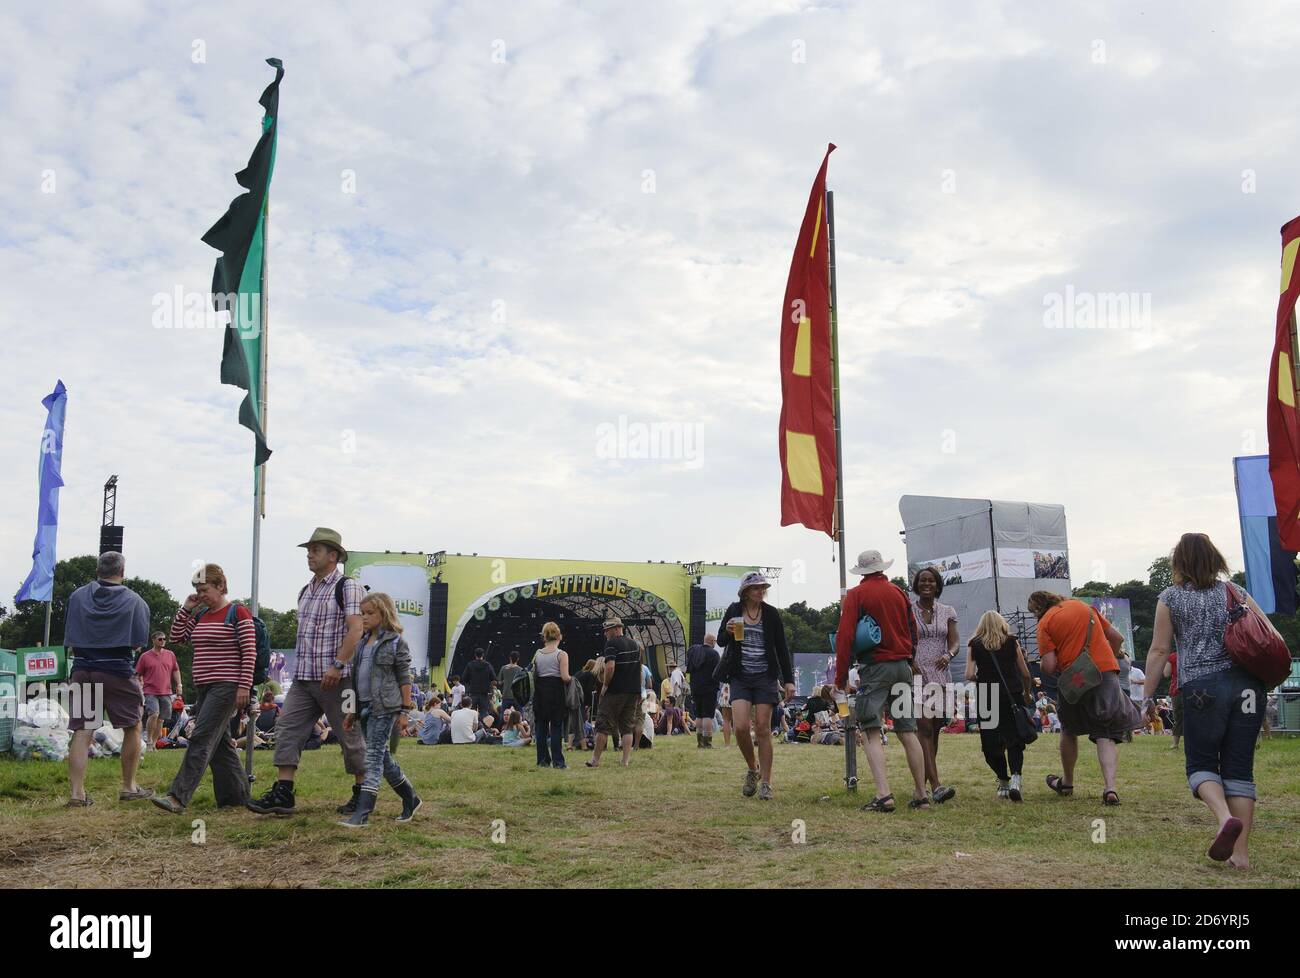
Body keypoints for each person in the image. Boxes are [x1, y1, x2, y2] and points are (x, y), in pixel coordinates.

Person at [1141, 533, 1278, 868]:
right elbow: (1269, 633)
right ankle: (1241, 857)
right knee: (1240, 771)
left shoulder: (1170, 598)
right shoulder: (1237, 592)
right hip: (1248, 688)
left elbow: (1160, 650)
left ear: (1179, 563)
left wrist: (1146, 696)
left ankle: (1222, 819)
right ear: (1216, 559)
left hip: (1202, 689)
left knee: (1201, 765)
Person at [249, 528, 367, 816]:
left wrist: (338, 665)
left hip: (340, 678)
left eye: (316, 550)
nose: (309, 554)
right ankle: (283, 793)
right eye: (309, 550)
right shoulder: (306, 590)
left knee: (350, 737)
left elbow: (357, 629)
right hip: (304, 677)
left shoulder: (347, 586)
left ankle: (363, 793)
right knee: (287, 729)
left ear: (334, 555)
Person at [152, 564, 257, 814]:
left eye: (204, 589)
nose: (200, 595)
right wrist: (187, 609)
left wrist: (244, 686)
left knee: (201, 736)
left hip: (227, 685)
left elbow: (249, 652)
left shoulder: (238, 613)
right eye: (197, 590)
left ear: (220, 586)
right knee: (219, 744)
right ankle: (237, 797)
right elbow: (176, 637)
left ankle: (178, 797)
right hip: (205, 686)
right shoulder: (200, 615)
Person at [834, 549, 929, 813]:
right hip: (902, 667)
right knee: (907, 731)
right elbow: (914, 630)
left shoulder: (857, 595)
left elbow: (844, 637)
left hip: (875, 668)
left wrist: (840, 677)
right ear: (881, 568)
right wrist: (909, 658)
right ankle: (921, 795)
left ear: (861, 571)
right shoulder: (898, 592)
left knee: (871, 730)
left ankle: (884, 795)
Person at [1031, 590, 1143, 806]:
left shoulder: (1045, 622)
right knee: (1105, 732)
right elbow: (1117, 639)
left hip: (1074, 679)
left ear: (1037, 609)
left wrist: (1044, 669)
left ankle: (1068, 783)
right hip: (1105, 673)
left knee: (1068, 729)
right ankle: (1110, 788)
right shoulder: (1084, 607)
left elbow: (1049, 665)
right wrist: (1101, 658)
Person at [63, 551, 153, 807]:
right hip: (116, 670)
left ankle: (77, 795)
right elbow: (138, 643)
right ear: (122, 572)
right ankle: (129, 787)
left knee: (82, 731)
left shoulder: (77, 596)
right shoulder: (136, 601)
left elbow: (70, 633)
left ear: (98, 570)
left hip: (82, 669)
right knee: (133, 726)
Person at [337, 592, 421, 827]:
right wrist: (351, 710)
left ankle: (363, 812)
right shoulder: (361, 643)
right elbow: (356, 680)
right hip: (364, 708)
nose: (364, 617)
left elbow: (405, 678)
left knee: (372, 757)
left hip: (385, 708)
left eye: (370, 613)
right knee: (382, 758)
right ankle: (410, 798)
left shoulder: (396, 643)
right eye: (362, 613)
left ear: (383, 613)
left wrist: (404, 711)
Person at [715, 571, 794, 801]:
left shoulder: (771, 614)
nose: (761, 591)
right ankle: (752, 768)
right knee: (740, 726)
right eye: (756, 588)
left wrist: (788, 680)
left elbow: (781, 647)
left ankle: (766, 783)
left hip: (765, 677)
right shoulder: (733, 610)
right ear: (746, 592)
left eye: (763, 587)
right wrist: (728, 632)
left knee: (762, 729)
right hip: (740, 675)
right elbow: (720, 641)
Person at [964, 610, 1034, 801]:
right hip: (1012, 695)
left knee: (990, 742)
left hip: (988, 696)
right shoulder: (1012, 641)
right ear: (1002, 624)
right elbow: (1026, 673)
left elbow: (969, 674)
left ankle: (1003, 780)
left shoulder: (974, 644)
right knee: (1014, 740)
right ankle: (1016, 779)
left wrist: (983, 678)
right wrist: (1026, 693)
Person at [910, 567, 959, 805]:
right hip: (917, 672)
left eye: (930, 580)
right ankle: (936, 786)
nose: (926, 584)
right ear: (916, 585)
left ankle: (923, 783)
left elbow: (955, 641)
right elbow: (902, 637)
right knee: (924, 729)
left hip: (940, 673)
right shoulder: (908, 611)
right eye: (922, 581)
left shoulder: (947, 611)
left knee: (935, 731)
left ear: (937, 584)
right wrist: (910, 661)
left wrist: (949, 655)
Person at [588, 618, 641, 768]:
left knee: (603, 724)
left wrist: (605, 685)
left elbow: (610, 667)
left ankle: (595, 760)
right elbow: (639, 669)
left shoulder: (612, 644)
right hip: (632, 691)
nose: (605, 633)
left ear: (616, 628)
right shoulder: (635, 645)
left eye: (607, 630)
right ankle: (625, 761)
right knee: (627, 727)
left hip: (615, 691)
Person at [531, 622, 572, 768]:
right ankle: (558, 762)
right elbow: (565, 677)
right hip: (556, 693)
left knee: (541, 728)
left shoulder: (538, 653)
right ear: (559, 636)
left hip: (540, 693)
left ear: (544, 636)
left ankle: (542, 760)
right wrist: (574, 680)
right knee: (556, 727)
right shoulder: (561, 654)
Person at [136, 632, 183, 752]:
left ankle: (155, 743)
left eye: (164, 639)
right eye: (160, 639)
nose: (163, 641)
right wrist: (139, 687)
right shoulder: (145, 656)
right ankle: (149, 741)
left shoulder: (170, 655)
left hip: (166, 691)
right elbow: (138, 674)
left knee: (161, 719)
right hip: (150, 690)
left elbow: (176, 670)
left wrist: (179, 684)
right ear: (153, 640)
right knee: (154, 714)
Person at [685, 634, 721, 748]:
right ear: (712, 641)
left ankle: (699, 742)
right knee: (708, 716)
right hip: (709, 689)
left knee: (699, 716)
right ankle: (707, 742)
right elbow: (718, 671)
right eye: (715, 641)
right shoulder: (714, 654)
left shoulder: (694, 652)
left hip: (695, 688)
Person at [463, 648, 497, 722]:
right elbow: (494, 678)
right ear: (483, 655)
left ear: (475, 655)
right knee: (484, 713)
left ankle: (473, 730)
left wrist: (470, 682)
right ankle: (483, 729)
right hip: (484, 693)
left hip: (473, 692)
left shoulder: (470, 665)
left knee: (472, 713)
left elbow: (464, 678)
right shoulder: (488, 665)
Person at [1165, 651, 1183, 750]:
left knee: (1178, 718)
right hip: (1196, 688)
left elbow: (1166, 673)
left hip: (1177, 689)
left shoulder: (1173, 656)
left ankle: (1175, 744)